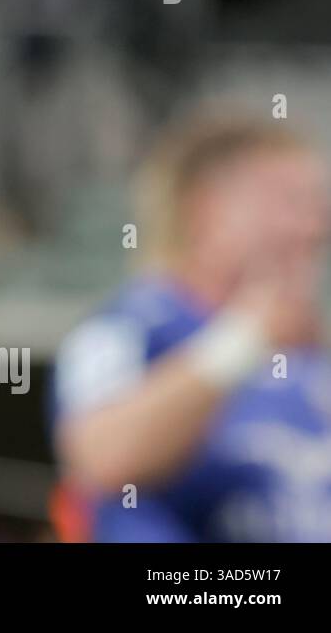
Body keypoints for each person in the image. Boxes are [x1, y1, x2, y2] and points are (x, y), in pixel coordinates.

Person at [50, 112, 331, 541]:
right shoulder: (133, 327)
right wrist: (241, 343)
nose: (314, 228)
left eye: (317, 205)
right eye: (289, 202)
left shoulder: (305, 347)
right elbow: (103, 459)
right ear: (207, 207)